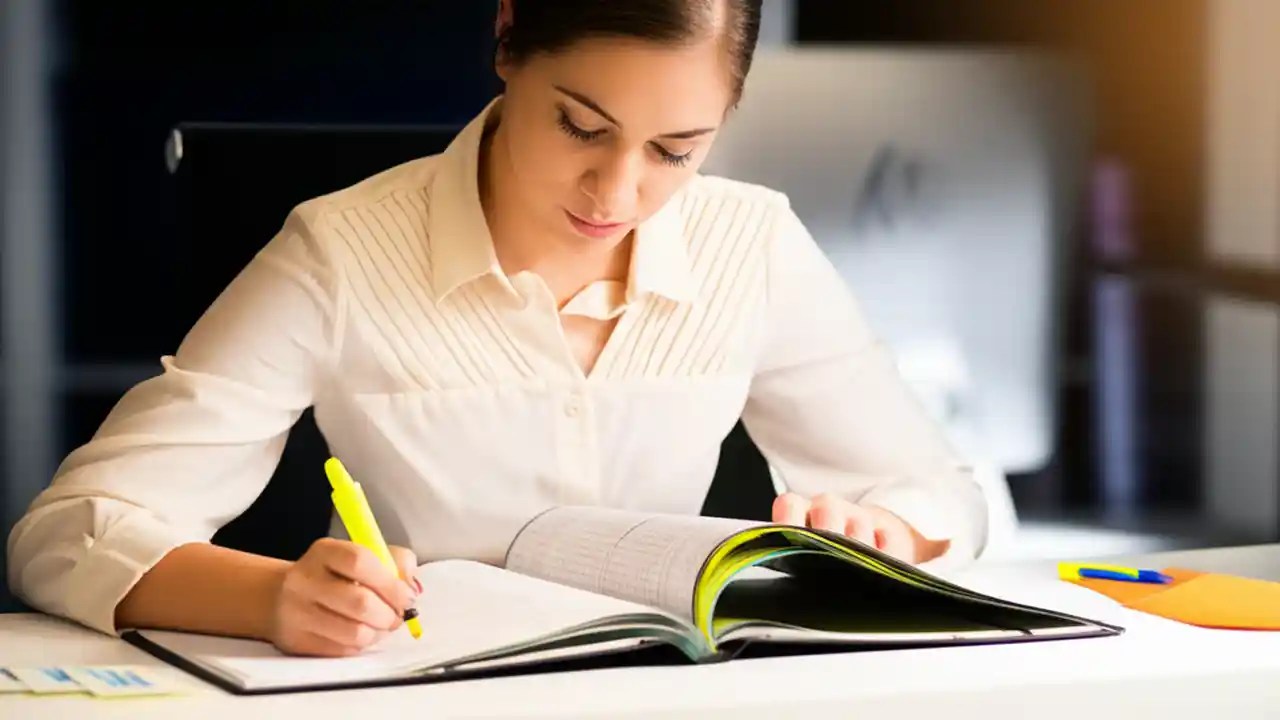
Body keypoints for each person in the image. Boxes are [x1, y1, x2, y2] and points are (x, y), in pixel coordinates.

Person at [7, 0, 989, 658]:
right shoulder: (342, 252)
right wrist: (270, 599)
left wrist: (890, 527)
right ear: (508, 37)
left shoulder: (751, 242)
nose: (618, 192)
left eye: (675, 151)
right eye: (579, 126)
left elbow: (957, 495)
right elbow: (64, 537)